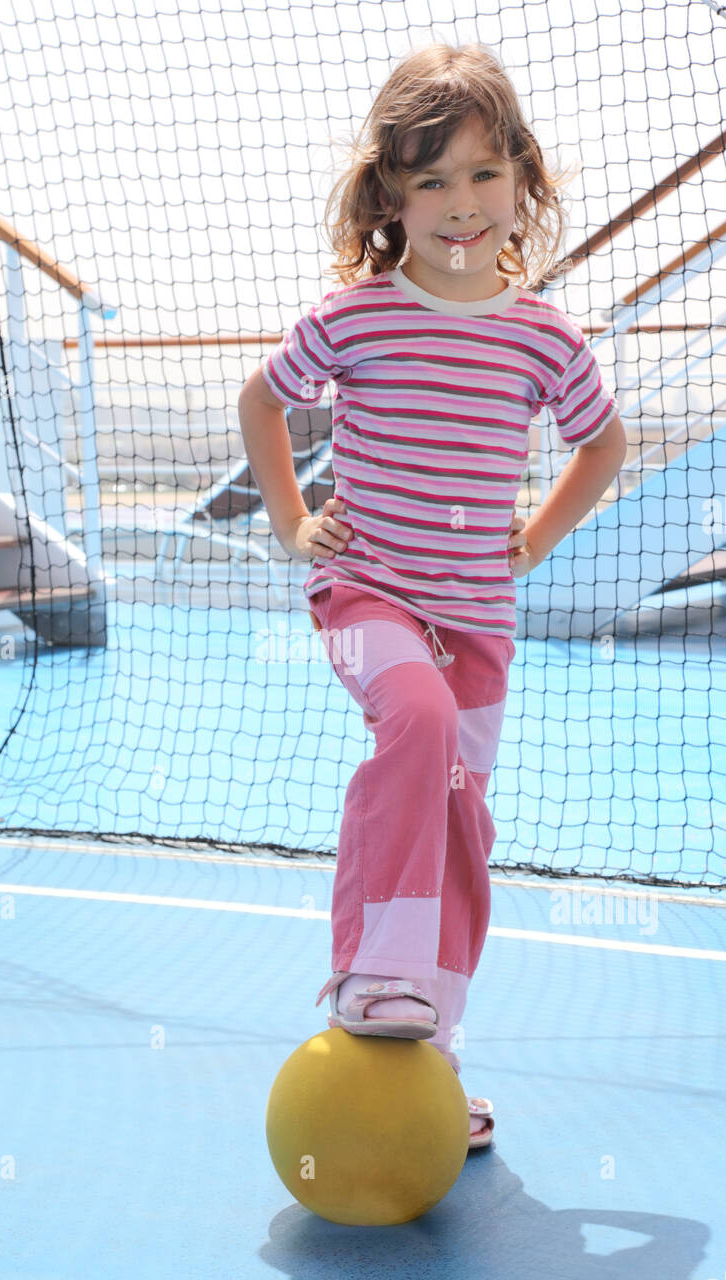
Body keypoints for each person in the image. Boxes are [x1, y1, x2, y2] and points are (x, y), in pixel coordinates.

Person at [238, 42, 627, 1149]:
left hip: (477, 621)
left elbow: (603, 446)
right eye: (430, 181)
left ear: (521, 181)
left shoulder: (543, 338)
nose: (461, 206)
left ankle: (432, 1055)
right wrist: (290, 522)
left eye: (481, 175)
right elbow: (260, 403)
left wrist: (530, 544)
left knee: (461, 826)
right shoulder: (354, 317)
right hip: (366, 592)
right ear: (390, 197)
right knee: (407, 723)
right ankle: (367, 972)